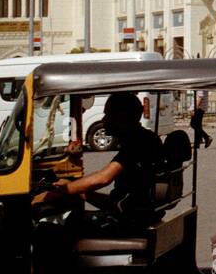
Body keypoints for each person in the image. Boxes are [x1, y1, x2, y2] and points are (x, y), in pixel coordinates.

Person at [32, 92, 164, 216]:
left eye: (107, 115)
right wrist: (76, 188)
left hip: (129, 215)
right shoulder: (145, 137)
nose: (104, 120)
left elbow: (103, 178)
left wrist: (58, 193)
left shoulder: (137, 142)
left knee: (49, 230)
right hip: (128, 207)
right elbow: (107, 184)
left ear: (121, 117)